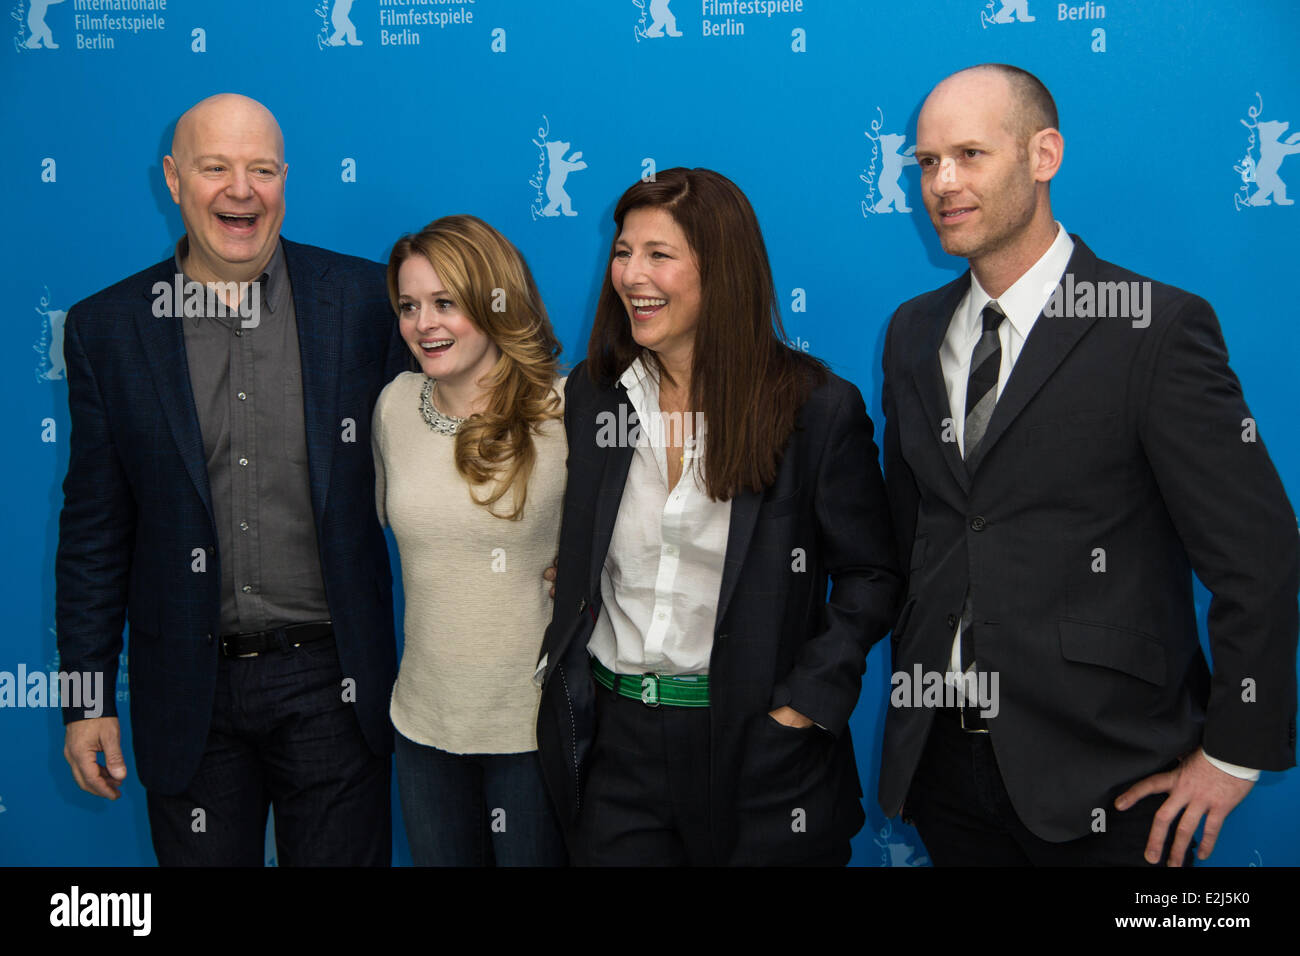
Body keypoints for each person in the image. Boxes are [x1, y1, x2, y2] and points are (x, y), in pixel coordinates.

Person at [879, 64, 1298, 866]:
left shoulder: (1155, 327)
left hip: (1111, 779)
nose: (942, 183)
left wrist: (1233, 752)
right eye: (926, 162)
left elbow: (1261, 554)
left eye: (970, 154)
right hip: (944, 770)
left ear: (1045, 154)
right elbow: (919, 535)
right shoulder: (911, 333)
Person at [55, 93, 407, 865]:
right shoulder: (107, 329)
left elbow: (453, 439)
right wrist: (85, 699)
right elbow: (93, 533)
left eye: (261, 169)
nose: (240, 191)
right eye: (215, 168)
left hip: (335, 689)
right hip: (189, 694)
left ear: (286, 179)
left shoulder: (365, 305)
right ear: (174, 180)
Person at [536, 167, 900, 865]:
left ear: (723, 270)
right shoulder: (594, 396)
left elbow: (872, 574)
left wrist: (801, 708)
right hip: (618, 746)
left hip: (760, 749)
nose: (631, 275)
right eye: (622, 252)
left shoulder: (814, 407)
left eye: (659, 255)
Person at [373, 215, 568, 866]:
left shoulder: (564, 411)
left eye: (445, 302)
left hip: (532, 727)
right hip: (423, 726)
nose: (423, 324)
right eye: (409, 306)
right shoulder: (394, 406)